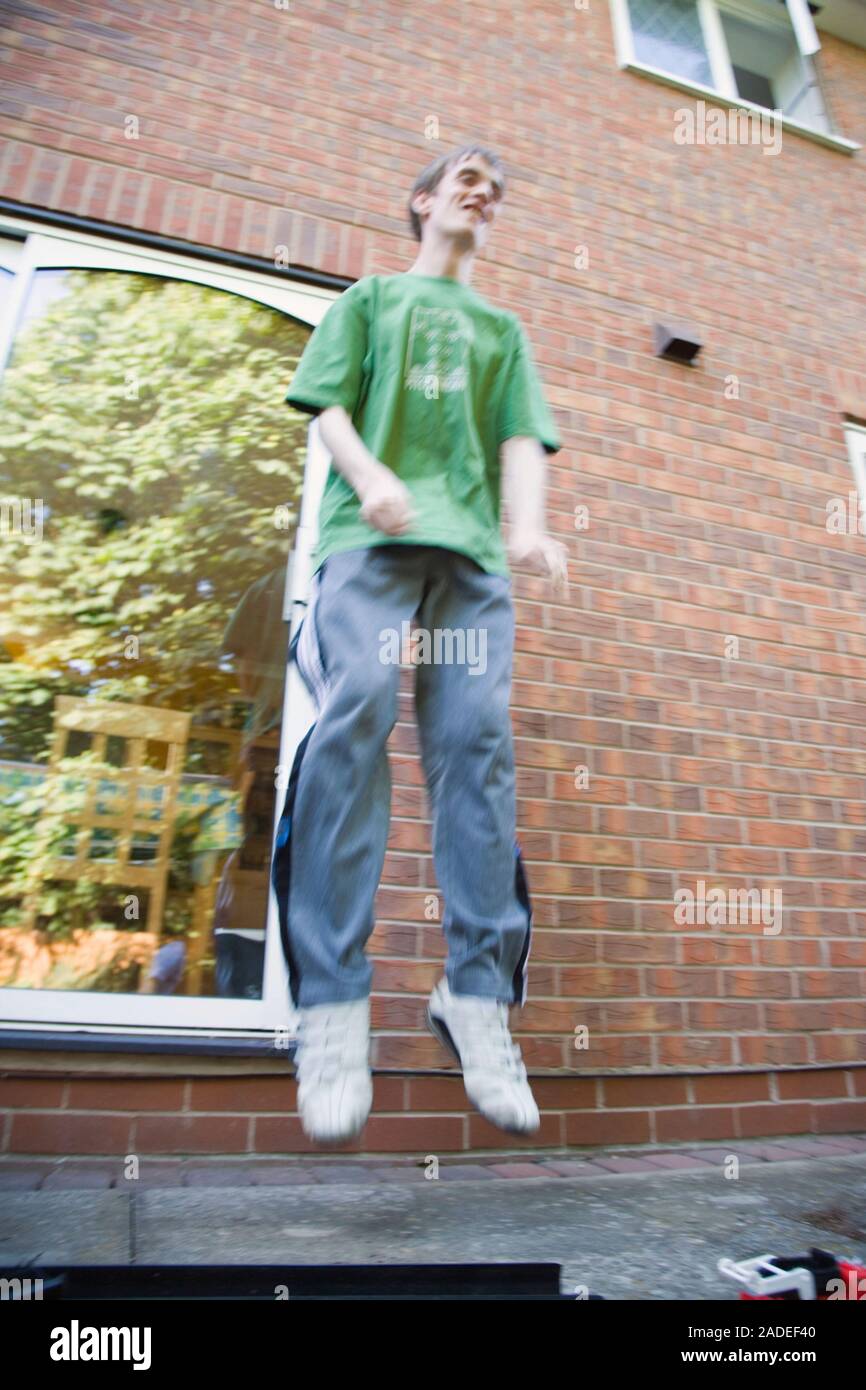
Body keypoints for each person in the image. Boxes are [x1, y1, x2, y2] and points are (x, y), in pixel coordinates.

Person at [272, 143, 568, 1143]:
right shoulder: (366, 300)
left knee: (476, 751)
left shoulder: (503, 329)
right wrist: (370, 477)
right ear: (421, 202)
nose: (481, 192)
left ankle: (475, 997)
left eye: (495, 186)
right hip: (374, 538)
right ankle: (328, 1008)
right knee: (352, 711)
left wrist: (526, 529)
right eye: (464, 179)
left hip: (471, 561)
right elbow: (327, 408)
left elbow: (521, 436)